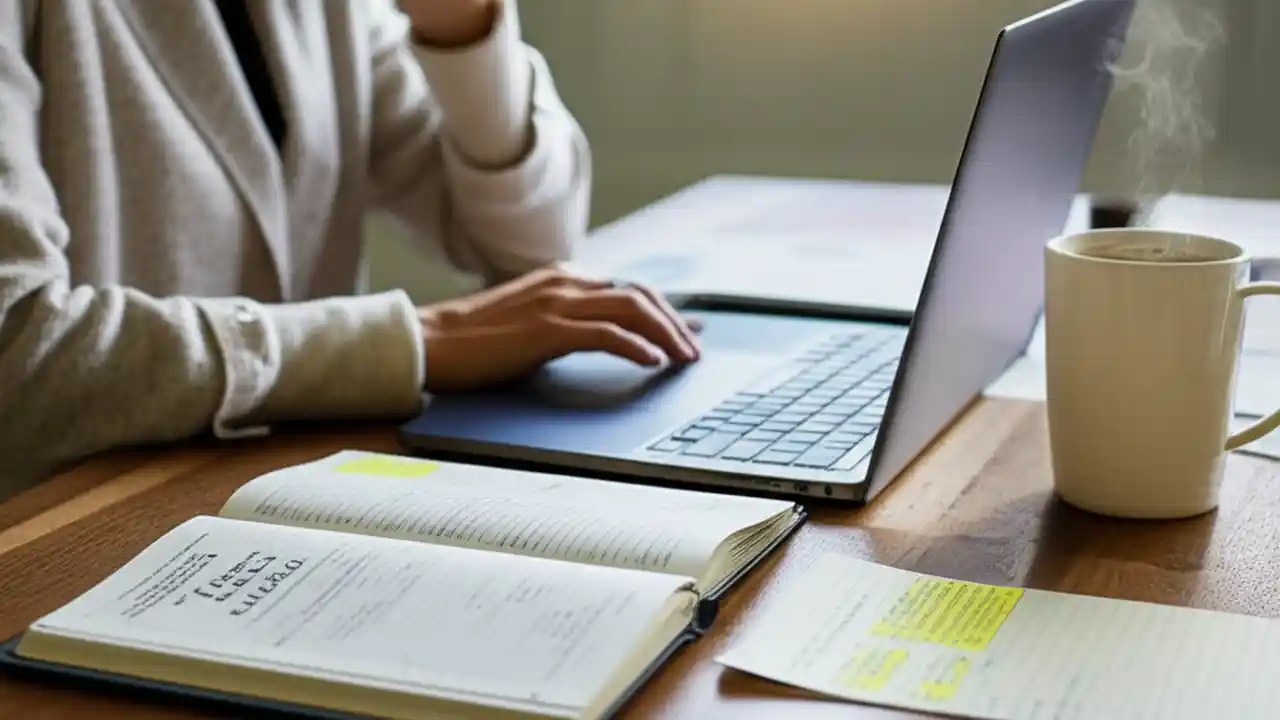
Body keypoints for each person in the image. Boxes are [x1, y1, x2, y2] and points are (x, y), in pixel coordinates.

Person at [0, 0, 700, 500]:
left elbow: (531, 242)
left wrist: (460, 24)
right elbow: (20, 357)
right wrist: (421, 339)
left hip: (267, 496)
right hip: (64, 524)